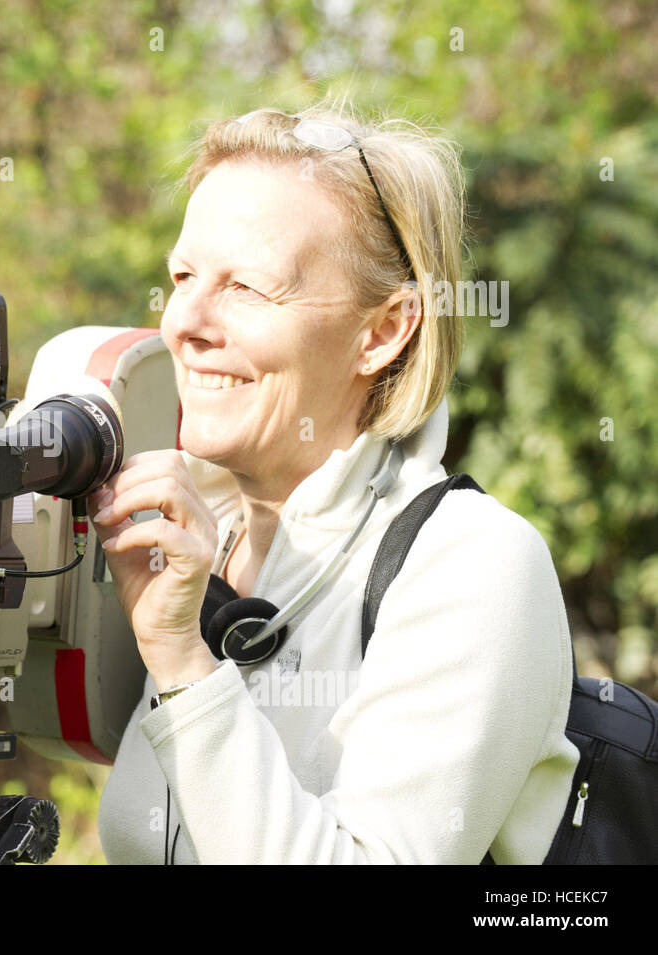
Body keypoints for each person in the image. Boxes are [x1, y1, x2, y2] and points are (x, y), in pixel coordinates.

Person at [90, 104, 579, 864]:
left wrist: (184, 663)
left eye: (247, 287)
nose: (184, 321)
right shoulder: (185, 539)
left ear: (383, 332)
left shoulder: (472, 565)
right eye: (182, 275)